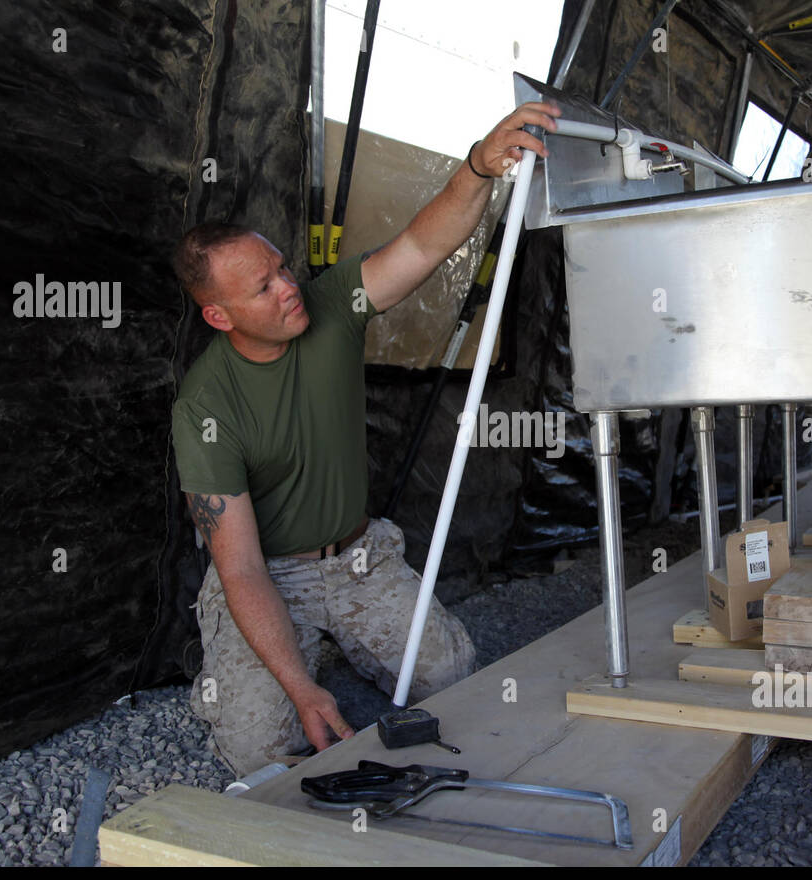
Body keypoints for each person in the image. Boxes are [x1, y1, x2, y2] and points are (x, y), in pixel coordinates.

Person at [169, 101, 562, 776]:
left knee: (455, 680)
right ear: (218, 314)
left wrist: (477, 166)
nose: (290, 289)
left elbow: (422, 245)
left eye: (283, 268)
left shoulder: (329, 305)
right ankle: (276, 671)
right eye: (264, 289)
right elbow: (239, 567)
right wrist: (301, 691)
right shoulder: (204, 406)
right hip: (270, 573)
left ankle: (338, 641)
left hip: (357, 556)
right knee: (260, 750)